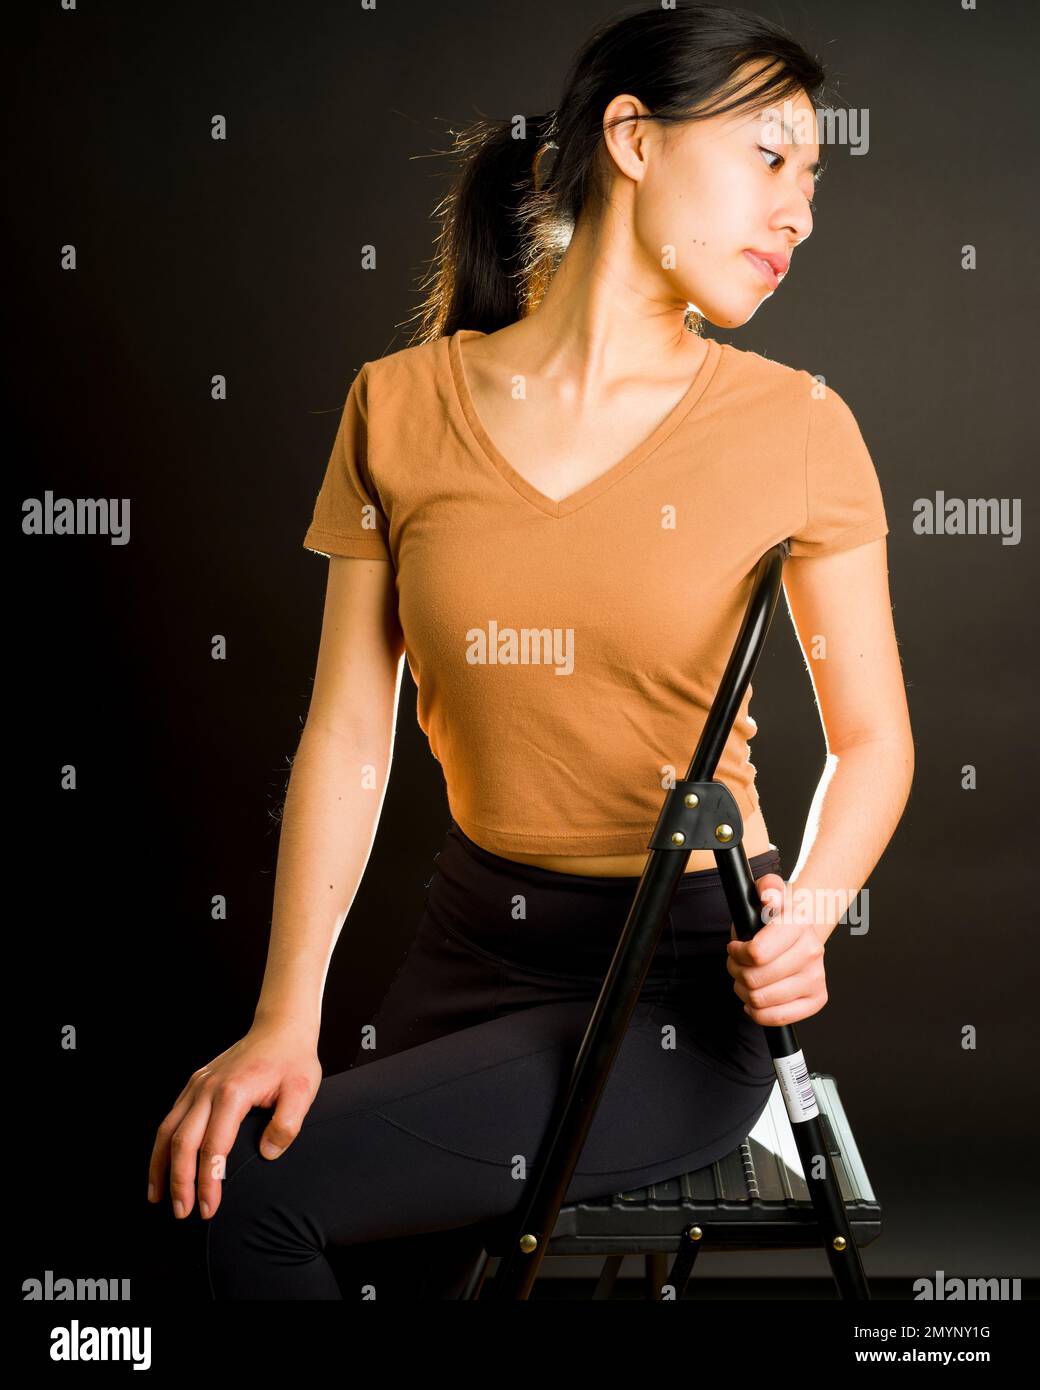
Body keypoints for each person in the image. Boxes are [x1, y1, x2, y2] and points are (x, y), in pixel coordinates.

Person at [146, 3, 915, 1300]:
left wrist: (814, 915)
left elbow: (876, 740)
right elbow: (347, 727)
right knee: (240, 1206)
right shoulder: (398, 409)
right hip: (471, 943)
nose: (801, 212)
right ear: (632, 136)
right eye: (772, 158)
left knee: (259, 1198)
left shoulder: (800, 427)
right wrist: (285, 1014)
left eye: (817, 180)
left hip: (676, 980)